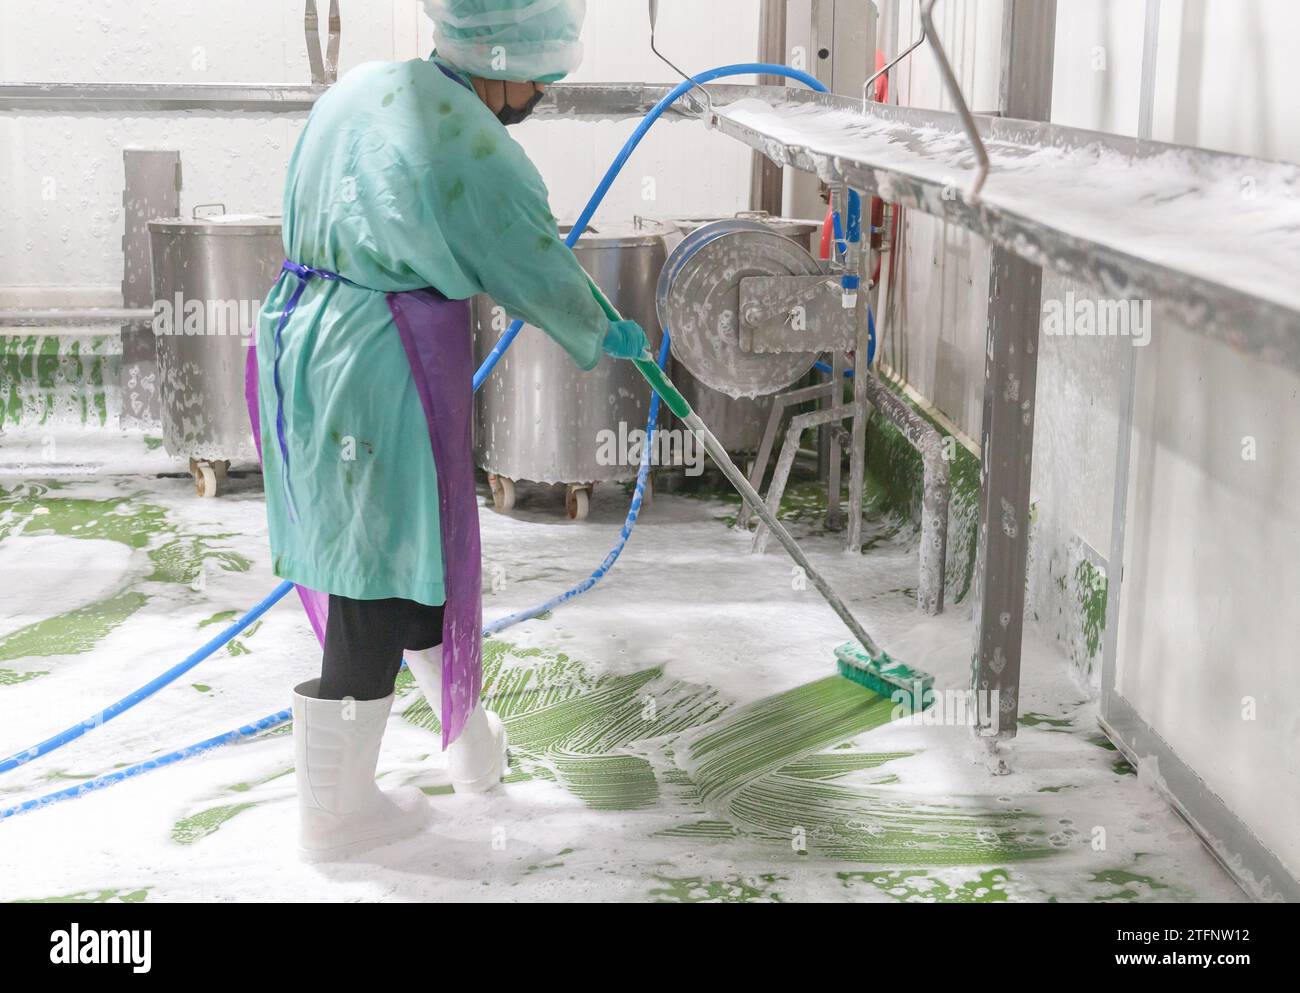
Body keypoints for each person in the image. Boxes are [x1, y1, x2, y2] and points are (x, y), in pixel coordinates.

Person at [249, 0, 649, 862]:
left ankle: (466, 736)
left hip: (301, 339)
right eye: (542, 73)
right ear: (499, 52)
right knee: (371, 577)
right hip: (375, 365)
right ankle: (335, 812)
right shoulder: (474, 149)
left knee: (407, 550)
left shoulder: (362, 88)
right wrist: (601, 327)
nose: (544, 89)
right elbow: (533, 263)